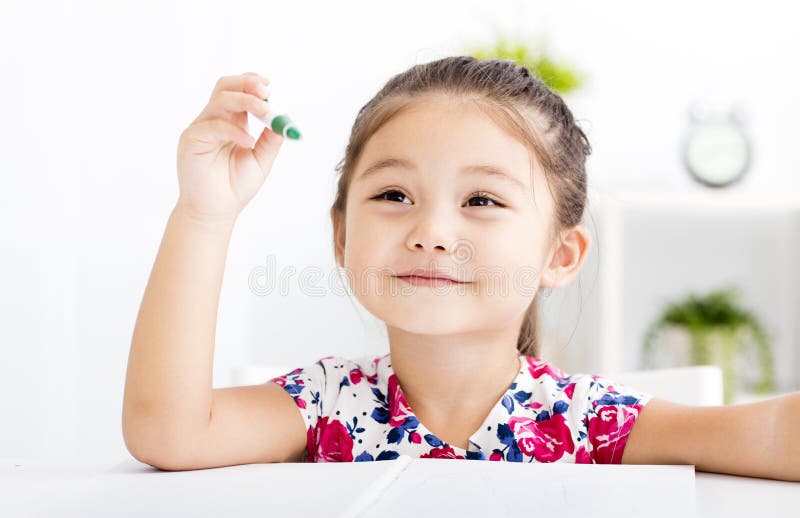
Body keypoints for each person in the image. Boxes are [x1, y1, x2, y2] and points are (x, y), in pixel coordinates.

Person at [122, 57, 799, 481]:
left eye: (482, 200)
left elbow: (772, 434)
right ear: (341, 235)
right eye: (394, 196)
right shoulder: (324, 406)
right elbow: (169, 433)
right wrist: (205, 214)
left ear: (559, 256)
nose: (431, 233)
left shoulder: (585, 419)